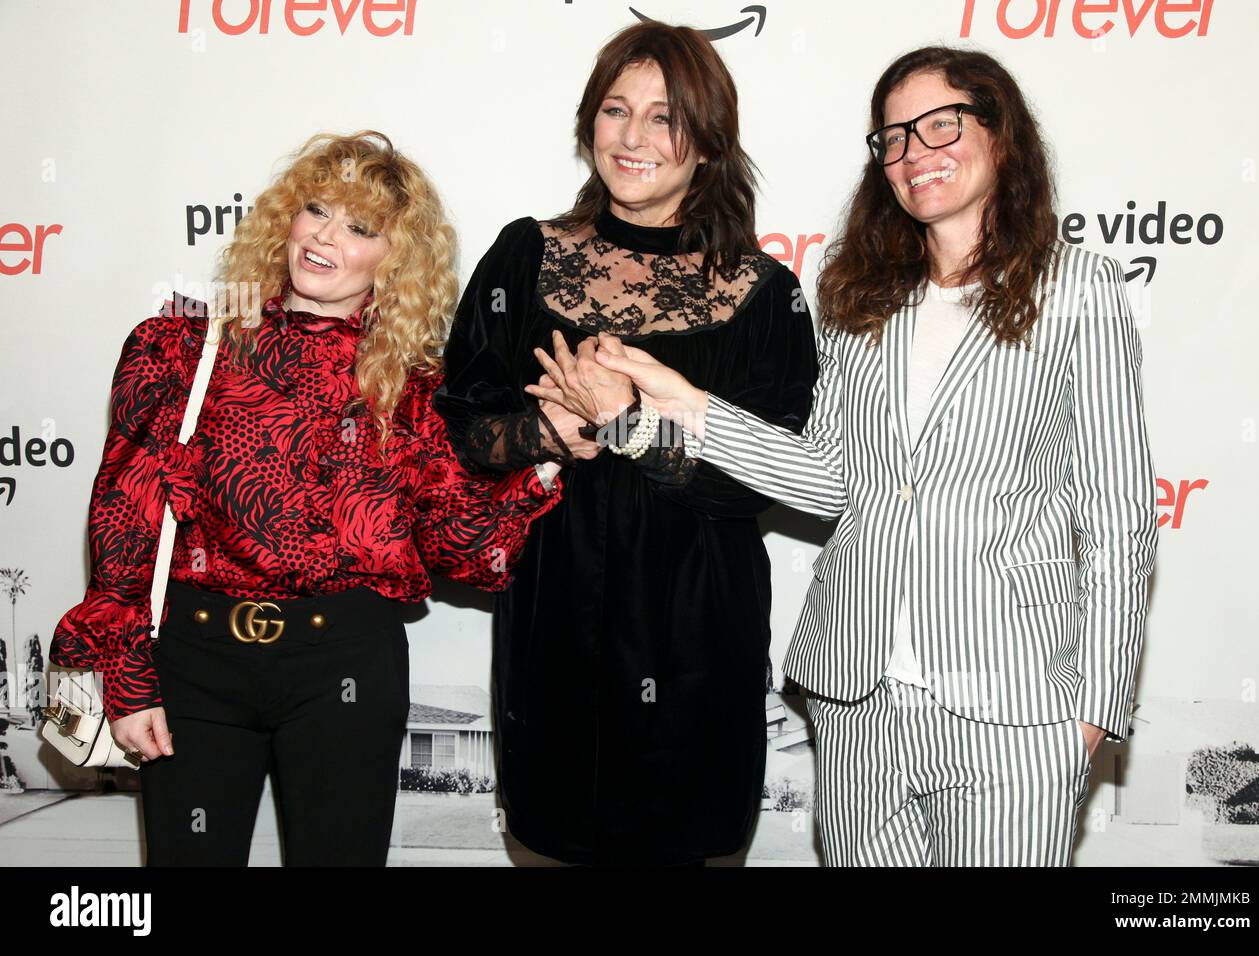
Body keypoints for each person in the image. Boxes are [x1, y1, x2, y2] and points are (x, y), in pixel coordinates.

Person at [545, 46, 1159, 866]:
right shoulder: (860, 294)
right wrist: (681, 400)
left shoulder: (1079, 288)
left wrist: (1093, 714)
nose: (915, 152)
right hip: (854, 697)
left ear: (1002, 137)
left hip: (1014, 708)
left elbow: (1119, 519)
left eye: (941, 126)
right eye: (894, 137)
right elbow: (826, 478)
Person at [49, 131, 562, 866]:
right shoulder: (179, 347)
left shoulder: (413, 390)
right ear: (284, 218)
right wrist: (129, 680)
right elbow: (126, 514)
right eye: (315, 210)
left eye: (359, 228)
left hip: (344, 662)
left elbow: (461, 548)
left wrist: (545, 459)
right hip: (196, 660)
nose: (324, 236)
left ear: (396, 260)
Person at [434, 22, 818, 866]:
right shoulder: (524, 257)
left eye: (665, 117)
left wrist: (625, 422)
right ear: (588, 125)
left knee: (688, 838)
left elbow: (760, 486)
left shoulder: (766, 294)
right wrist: (544, 431)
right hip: (552, 608)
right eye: (616, 111)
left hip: (696, 620)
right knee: (552, 836)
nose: (634, 138)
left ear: (709, 143)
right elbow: (455, 427)